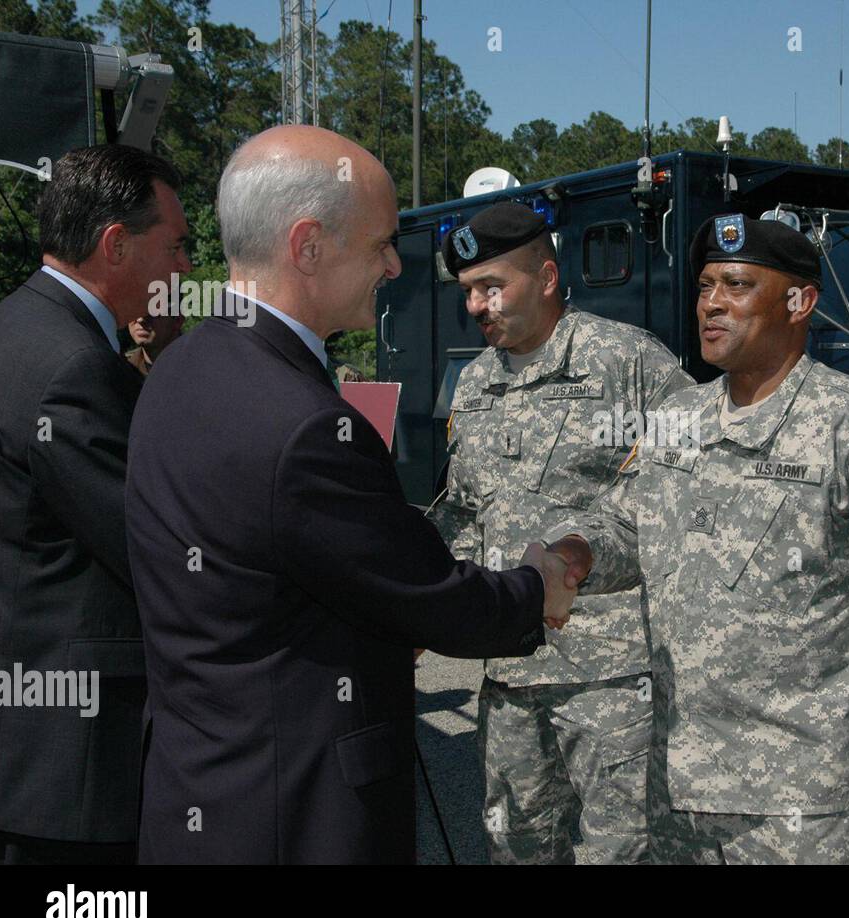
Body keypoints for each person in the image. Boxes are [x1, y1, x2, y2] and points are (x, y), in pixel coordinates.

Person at [125, 125, 576, 864]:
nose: (395, 265)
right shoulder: (303, 426)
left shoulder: (181, 369)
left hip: (201, 797)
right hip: (294, 819)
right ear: (308, 246)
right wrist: (537, 586)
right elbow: (424, 596)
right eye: (380, 244)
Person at [543, 213, 849, 863]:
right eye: (707, 284)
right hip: (683, 786)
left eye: (738, 285)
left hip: (812, 802)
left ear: (800, 302)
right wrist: (571, 552)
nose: (713, 302)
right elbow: (627, 522)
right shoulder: (677, 424)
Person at [436, 203, 692, 864]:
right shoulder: (473, 385)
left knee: (623, 852)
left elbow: (690, 479)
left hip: (611, 678)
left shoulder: (624, 359)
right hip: (509, 671)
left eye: (491, 286)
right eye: (467, 291)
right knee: (516, 845)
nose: (476, 305)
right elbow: (465, 512)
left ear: (546, 277)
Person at [0, 144, 189, 864]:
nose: (184, 270)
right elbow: (155, 552)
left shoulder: (16, 328)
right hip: (70, 769)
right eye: (174, 246)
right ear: (115, 244)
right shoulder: (74, 366)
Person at [125, 311, 183, 376]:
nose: (140, 320)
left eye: (151, 311)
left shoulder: (194, 364)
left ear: (178, 320)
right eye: (133, 309)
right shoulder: (122, 374)